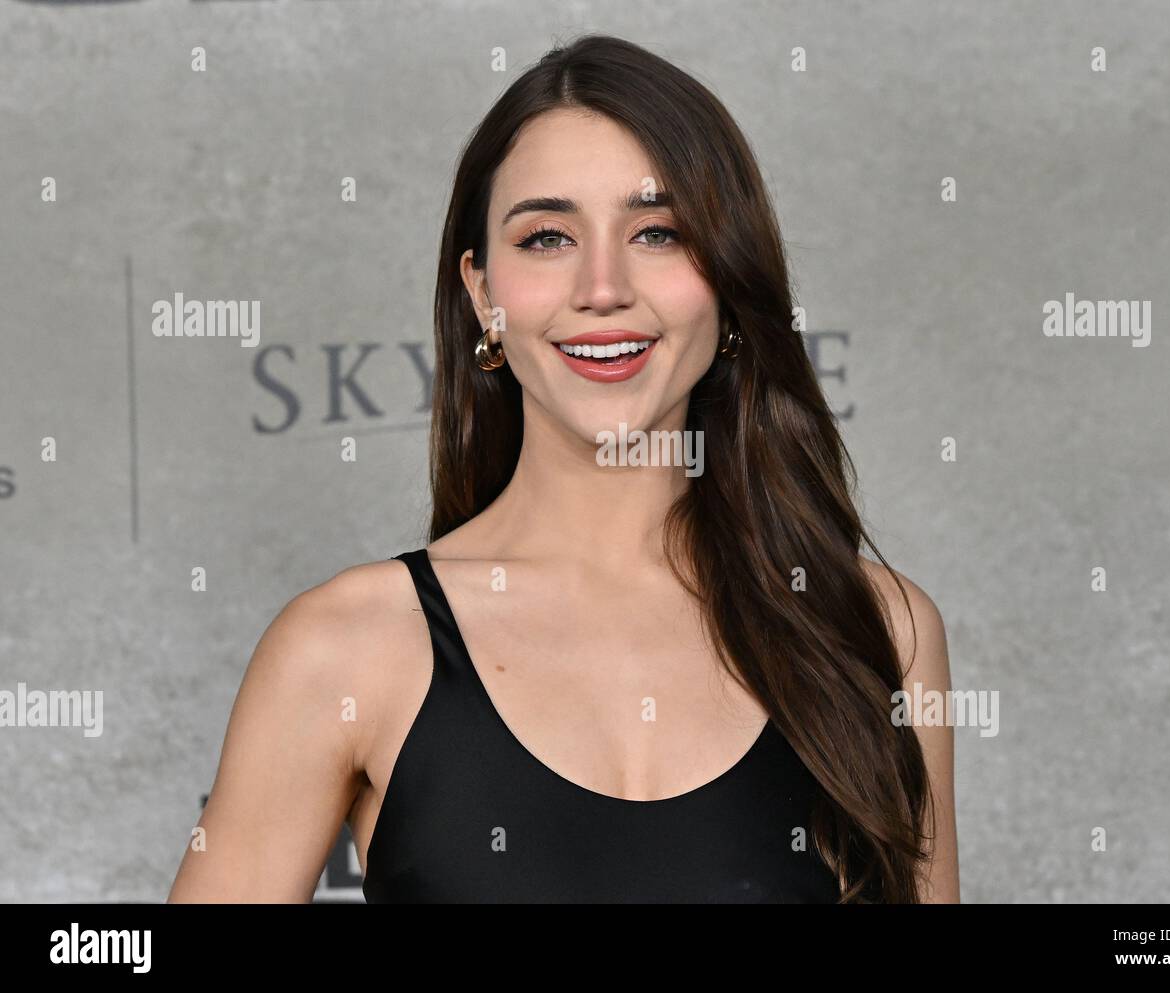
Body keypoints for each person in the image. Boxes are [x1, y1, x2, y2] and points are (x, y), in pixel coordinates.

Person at [168, 33, 958, 904]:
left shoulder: (877, 629)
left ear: (730, 286)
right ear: (482, 295)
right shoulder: (345, 647)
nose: (603, 285)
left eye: (658, 231)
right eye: (547, 237)